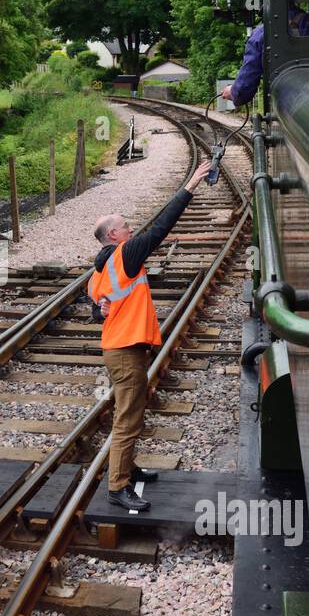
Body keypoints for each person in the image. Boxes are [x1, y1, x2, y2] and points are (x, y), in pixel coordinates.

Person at [89, 160, 212, 512]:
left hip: (120, 347)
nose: (131, 229)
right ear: (113, 235)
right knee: (128, 417)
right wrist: (189, 186)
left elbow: (95, 310)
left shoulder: (98, 270)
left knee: (131, 411)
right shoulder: (123, 255)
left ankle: (129, 468)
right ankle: (118, 487)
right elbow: (159, 230)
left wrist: (100, 311)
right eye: (125, 226)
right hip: (125, 351)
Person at [220, 0, 309, 107]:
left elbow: (245, 87)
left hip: (294, 105)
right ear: (294, 0)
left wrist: (233, 92)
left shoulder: (261, 34)